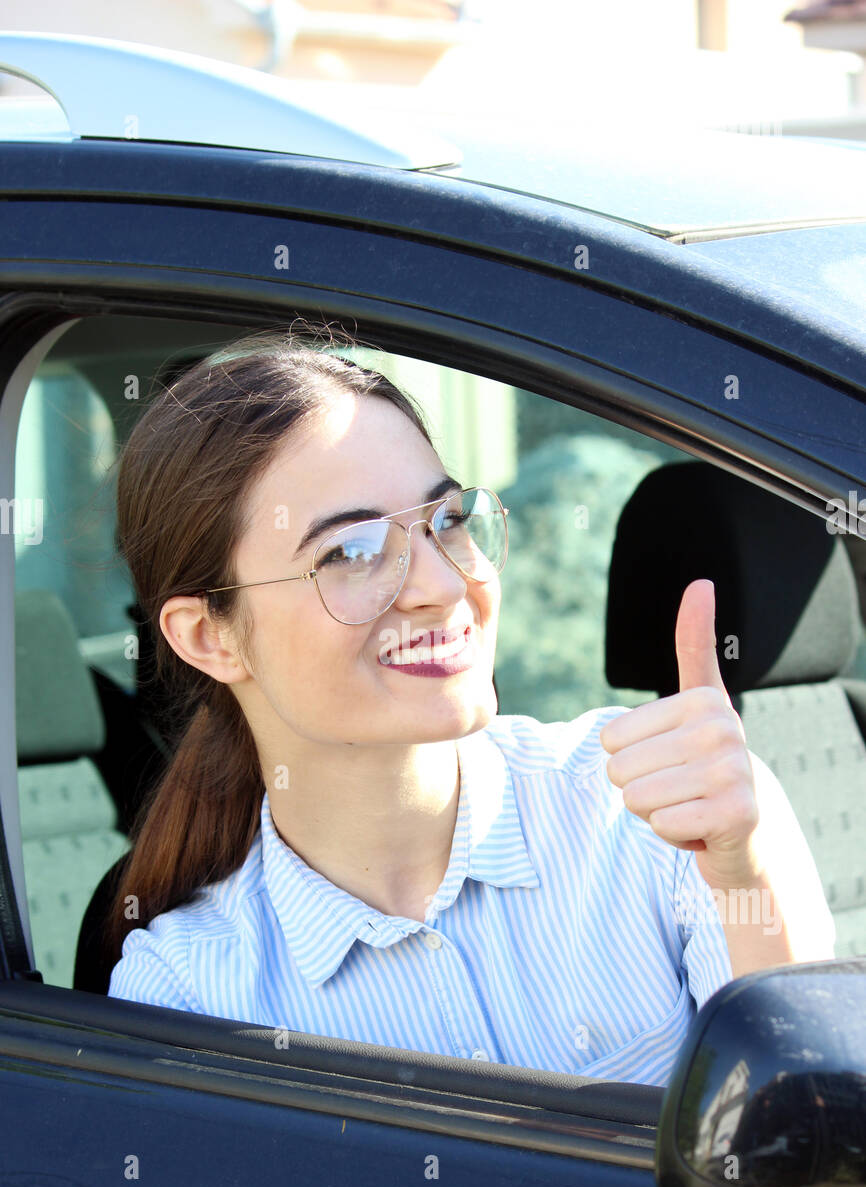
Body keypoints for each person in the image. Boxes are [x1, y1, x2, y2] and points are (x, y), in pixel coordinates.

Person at [106, 324, 835, 1085]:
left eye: (447, 520)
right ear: (208, 637)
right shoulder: (187, 995)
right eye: (351, 552)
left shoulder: (665, 811)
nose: (446, 584)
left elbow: (818, 1156)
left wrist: (746, 878)